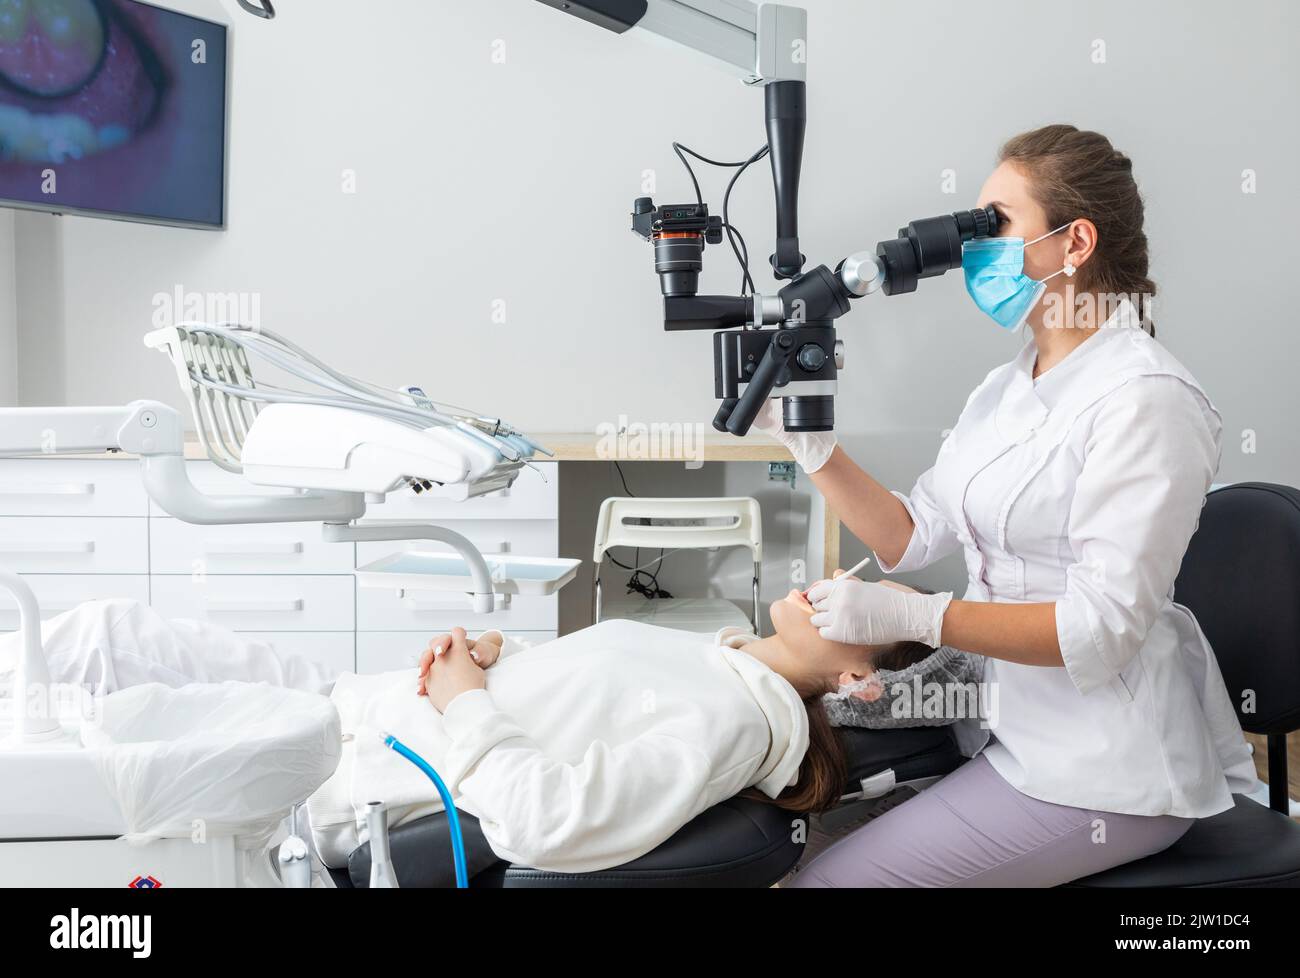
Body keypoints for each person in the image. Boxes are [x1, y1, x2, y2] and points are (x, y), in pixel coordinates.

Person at [756, 125, 1255, 887]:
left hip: (1097, 774)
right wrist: (810, 446)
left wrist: (916, 619)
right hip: (1003, 729)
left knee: (819, 886)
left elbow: (1102, 628)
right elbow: (912, 533)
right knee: (784, 849)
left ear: (1074, 241)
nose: (974, 250)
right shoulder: (1008, 386)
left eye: (996, 224)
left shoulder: (1147, 401)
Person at [0, 589, 974, 875]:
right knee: (99, 632)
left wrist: (467, 698)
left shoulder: (729, 721)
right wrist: (499, 661)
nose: (834, 585)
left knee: (71, 722)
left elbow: (550, 818)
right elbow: (577, 708)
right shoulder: (717, 657)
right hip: (353, 702)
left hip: (318, 775)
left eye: (865, 604)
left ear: (858, 679)